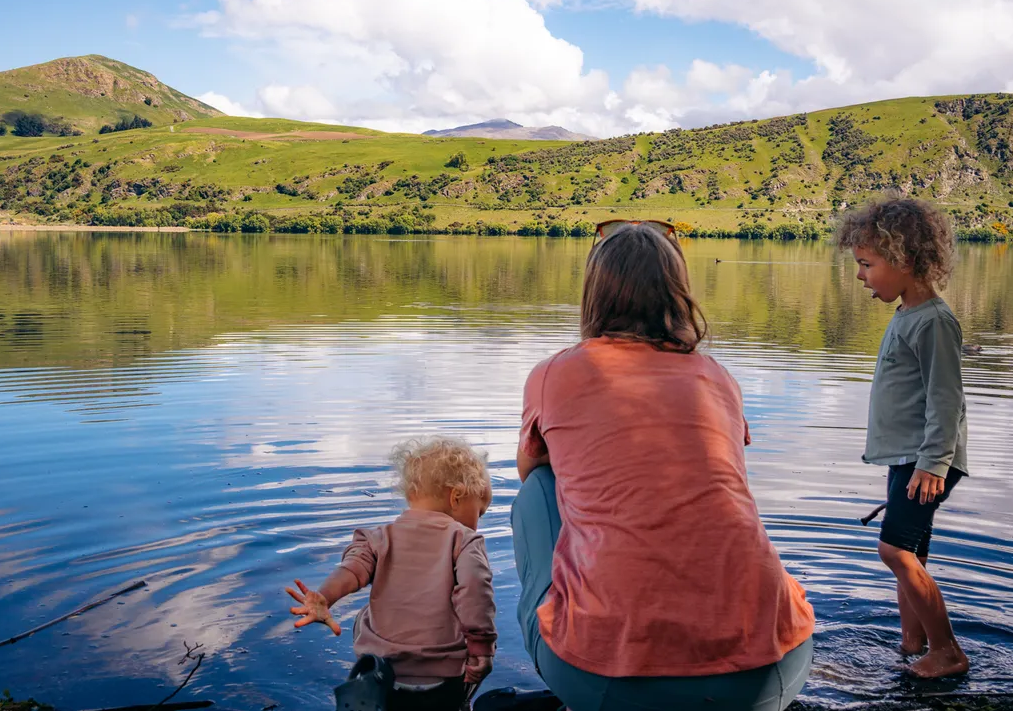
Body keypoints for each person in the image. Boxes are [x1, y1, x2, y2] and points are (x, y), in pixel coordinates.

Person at [512, 220, 815, 711]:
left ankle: (577, 636)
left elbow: (529, 471)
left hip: (609, 681)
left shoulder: (554, 373)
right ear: (678, 292)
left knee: (540, 488)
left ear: (595, 293)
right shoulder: (718, 377)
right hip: (772, 669)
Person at [835, 197, 970, 679]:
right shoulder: (908, 314)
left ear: (905, 260)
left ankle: (948, 652)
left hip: (927, 460)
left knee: (894, 552)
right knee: (911, 555)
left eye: (867, 264)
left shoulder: (934, 320)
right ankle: (913, 643)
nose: (860, 276)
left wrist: (932, 463)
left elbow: (946, 400)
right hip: (909, 459)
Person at [287, 436, 497, 710]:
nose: (478, 522)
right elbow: (475, 593)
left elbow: (353, 569)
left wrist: (325, 597)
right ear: (456, 497)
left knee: (364, 616)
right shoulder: (465, 540)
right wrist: (482, 648)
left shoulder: (378, 538)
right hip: (443, 677)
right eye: (479, 511)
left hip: (384, 675)